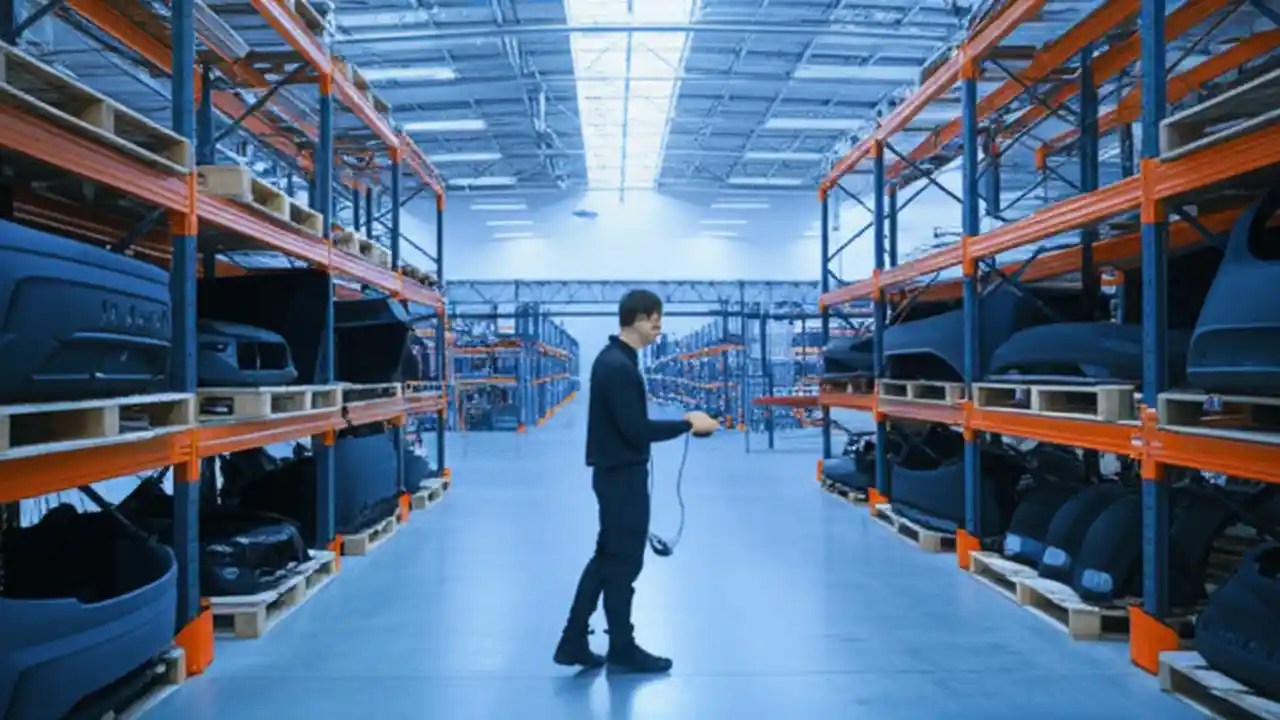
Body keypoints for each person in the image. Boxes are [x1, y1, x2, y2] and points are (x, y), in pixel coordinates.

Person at [554, 289, 720, 674]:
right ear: (635, 320)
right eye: (653, 319)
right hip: (621, 477)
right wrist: (687, 424)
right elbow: (634, 429)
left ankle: (575, 639)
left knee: (608, 560)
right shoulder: (617, 366)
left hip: (618, 474)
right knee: (623, 563)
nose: (658, 326)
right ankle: (618, 647)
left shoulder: (620, 361)